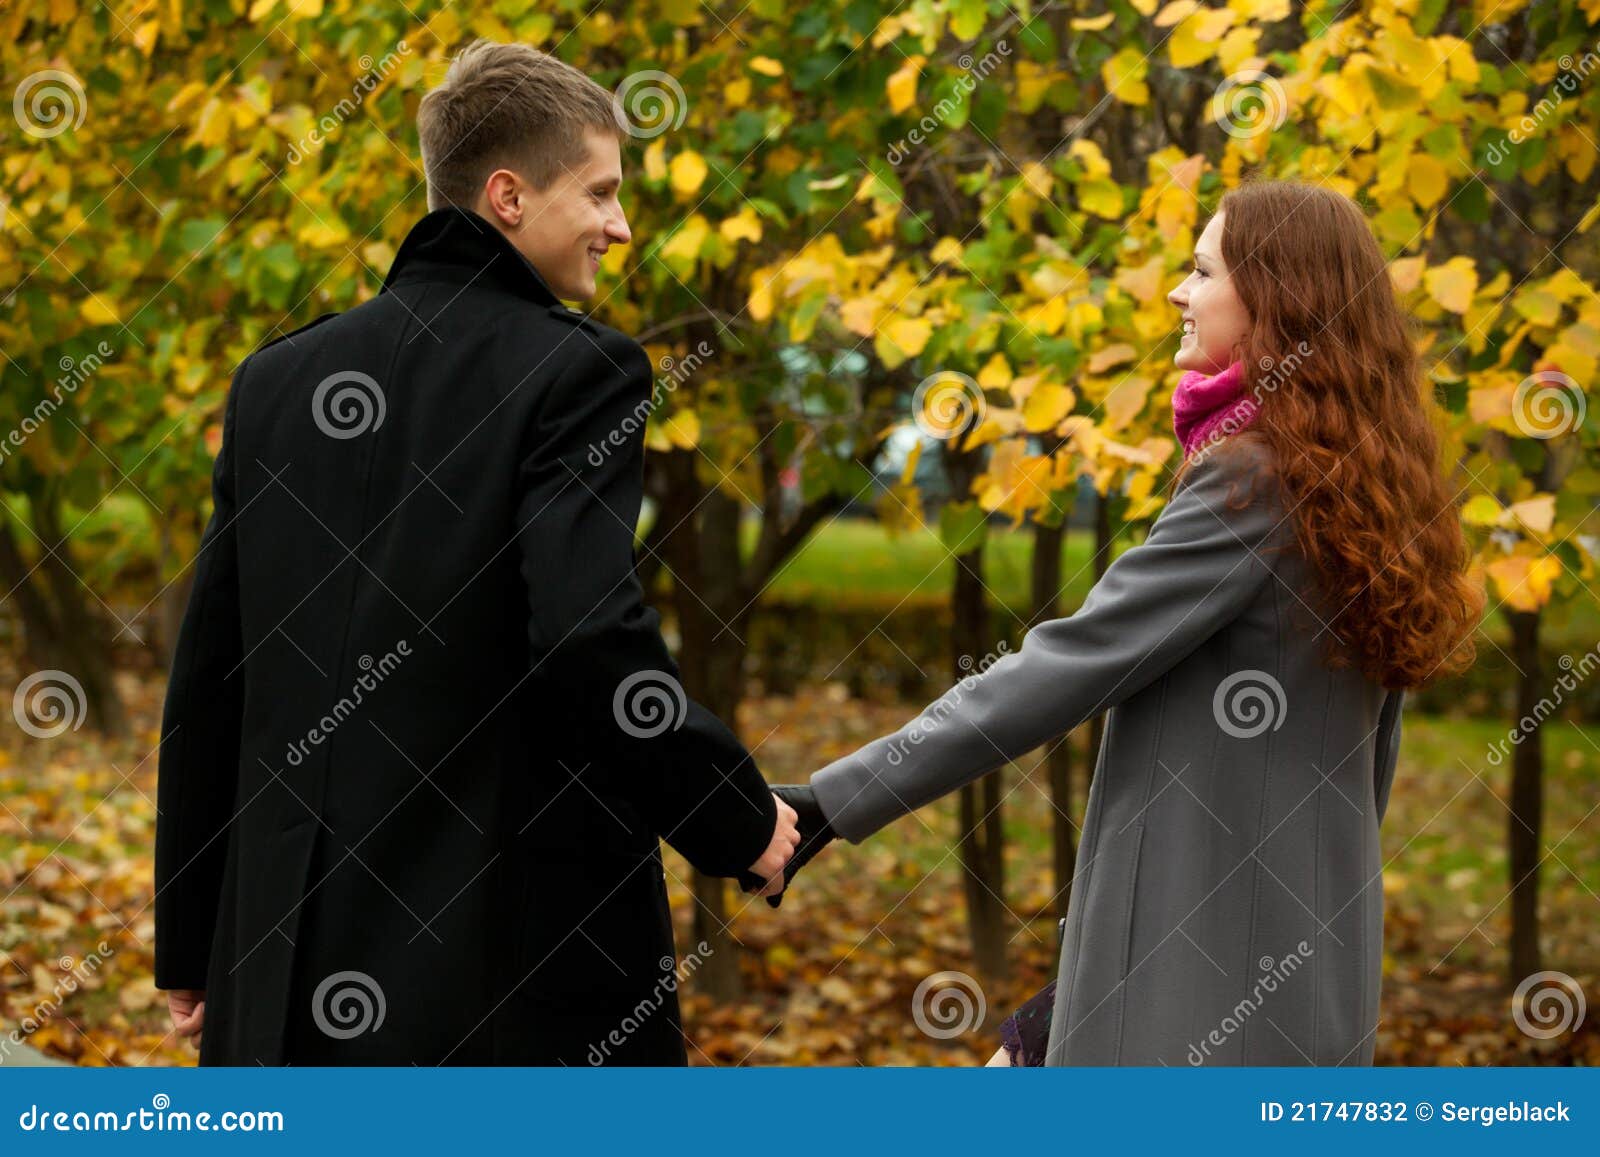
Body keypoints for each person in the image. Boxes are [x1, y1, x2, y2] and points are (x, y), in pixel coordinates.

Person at [155, 40, 798, 1065]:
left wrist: (189, 940)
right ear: (507, 195)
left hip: (274, 980)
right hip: (502, 988)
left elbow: (208, 684)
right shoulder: (577, 375)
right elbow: (590, 636)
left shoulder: (275, 379)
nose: (620, 225)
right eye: (599, 192)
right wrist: (733, 814)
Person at [760, 180, 1483, 1066]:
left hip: (1197, 1000)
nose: (1178, 293)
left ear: (1275, 299)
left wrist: (830, 804)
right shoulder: (1367, 490)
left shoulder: (1249, 482)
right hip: (1308, 980)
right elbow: (1371, 766)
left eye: (1201, 270)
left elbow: (1063, 666)